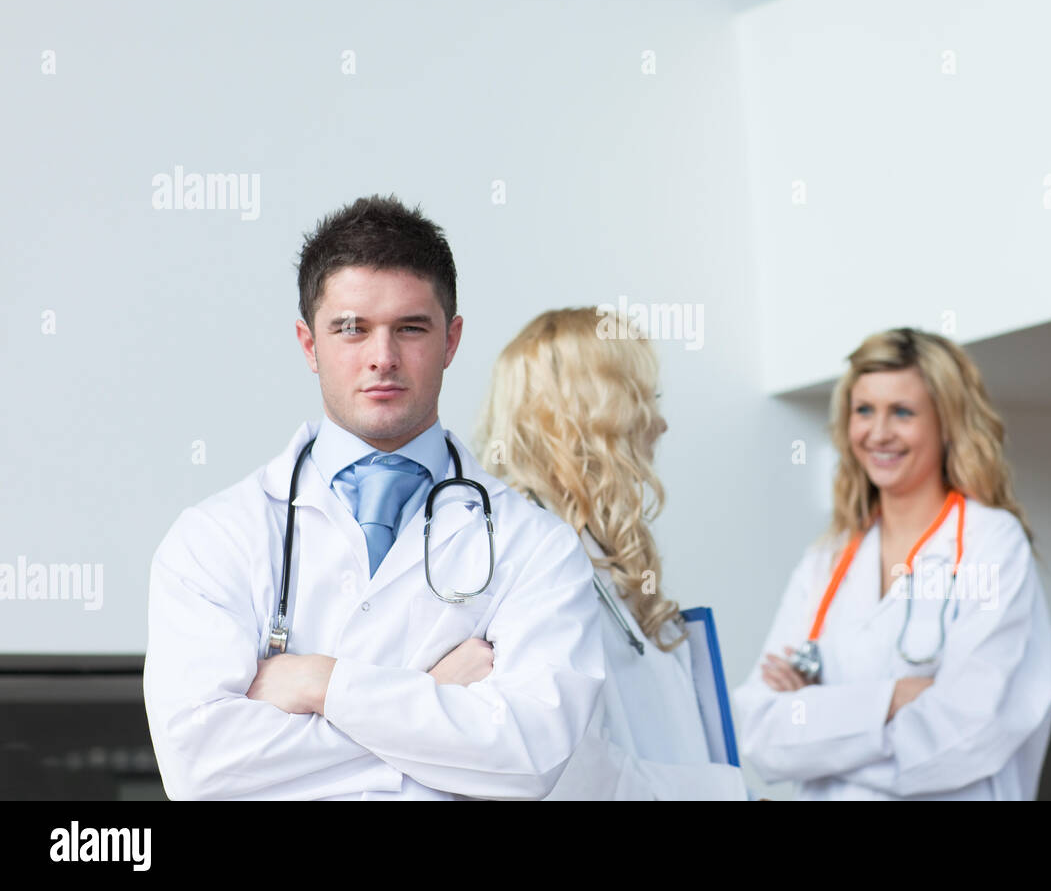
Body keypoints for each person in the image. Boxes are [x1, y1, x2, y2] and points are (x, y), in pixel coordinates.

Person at [142, 196, 604, 800]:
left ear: (452, 340)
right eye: (351, 328)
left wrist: (317, 684)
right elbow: (201, 770)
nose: (382, 358)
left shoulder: (535, 545)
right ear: (309, 345)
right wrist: (431, 691)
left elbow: (527, 757)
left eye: (410, 328)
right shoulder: (215, 538)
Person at [733, 327, 1051, 800]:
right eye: (864, 410)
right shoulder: (826, 561)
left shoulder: (992, 544)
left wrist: (818, 726)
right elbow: (761, 733)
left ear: (946, 424)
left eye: (902, 413)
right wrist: (891, 698)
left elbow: (966, 732)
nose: (878, 433)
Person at [475, 307, 749, 800]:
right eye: (645, 400)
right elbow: (566, 771)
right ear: (593, 414)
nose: (660, 423)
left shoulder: (592, 549)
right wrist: (730, 793)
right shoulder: (518, 553)